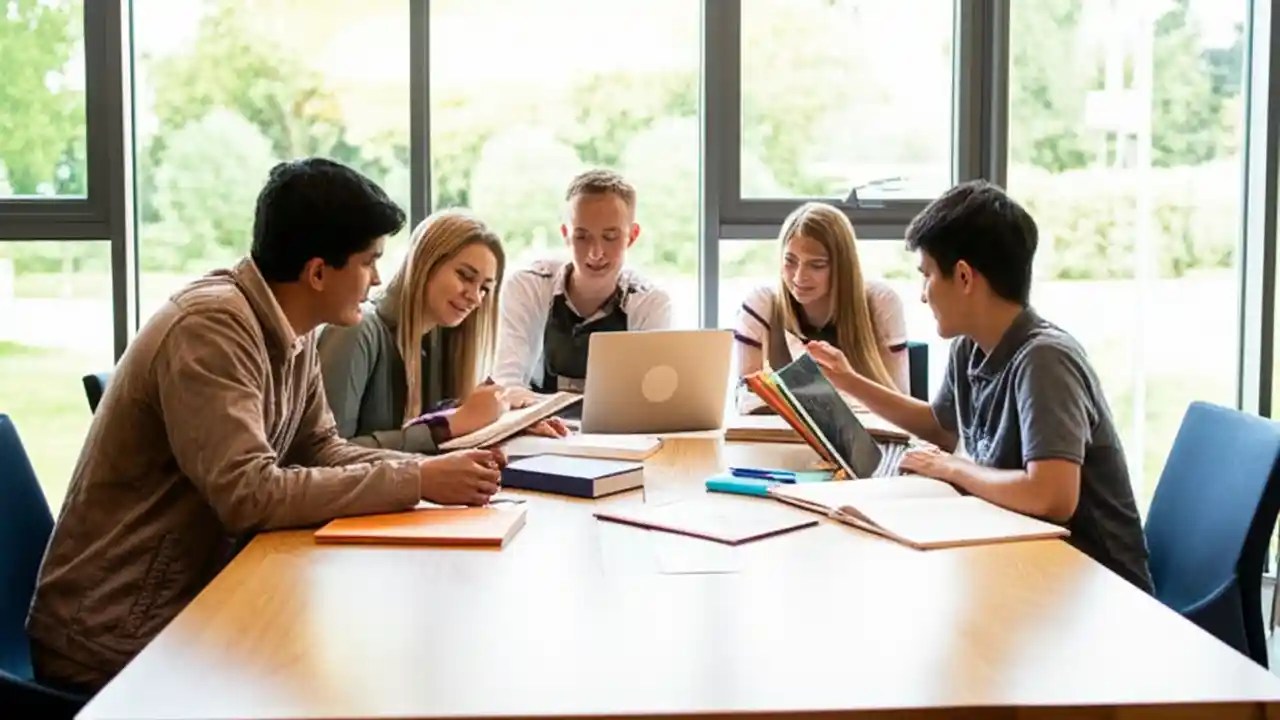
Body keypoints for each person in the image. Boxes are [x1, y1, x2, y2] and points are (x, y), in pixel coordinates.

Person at [26, 158, 507, 693]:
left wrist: (430, 469)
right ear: (318, 272)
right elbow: (249, 494)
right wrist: (417, 481)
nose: (376, 279)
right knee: (347, 684)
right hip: (118, 635)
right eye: (369, 262)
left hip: (192, 603)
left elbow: (320, 447)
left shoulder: (291, 327)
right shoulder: (211, 328)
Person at [807, 179, 1153, 593]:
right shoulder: (970, 346)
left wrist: (952, 467)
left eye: (928, 275)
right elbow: (939, 426)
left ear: (965, 277)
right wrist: (849, 381)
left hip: (1095, 583)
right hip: (1028, 561)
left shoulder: (1045, 359)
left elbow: (1052, 496)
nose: (922, 295)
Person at [317, 209, 565, 452]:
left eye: (484, 288)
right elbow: (326, 457)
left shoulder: (441, 341)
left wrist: (506, 424)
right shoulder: (355, 332)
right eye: (465, 276)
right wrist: (448, 427)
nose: (475, 298)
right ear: (426, 262)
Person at [492, 169, 672, 394]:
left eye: (610, 237)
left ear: (632, 236)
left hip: (617, 428)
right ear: (566, 234)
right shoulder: (528, 286)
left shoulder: (650, 303)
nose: (596, 253)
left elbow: (652, 396)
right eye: (582, 236)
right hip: (534, 424)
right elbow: (506, 383)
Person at [733, 201, 908, 413]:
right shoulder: (761, 305)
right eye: (790, 261)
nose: (799, 277)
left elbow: (900, 403)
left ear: (843, 267)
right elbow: (746, 403)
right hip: (779, 440)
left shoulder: (880, 303)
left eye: (816, 265)